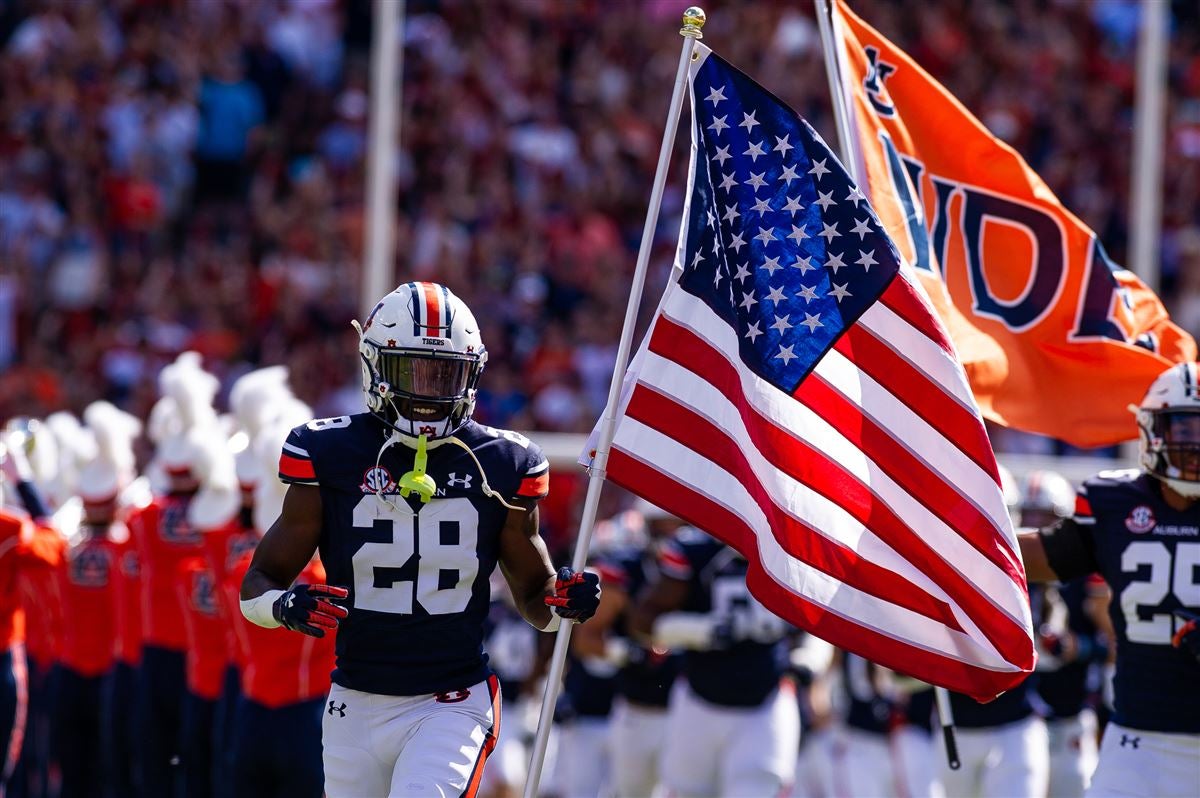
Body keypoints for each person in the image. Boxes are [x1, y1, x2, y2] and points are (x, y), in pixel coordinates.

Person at [239, 282, 600, 797]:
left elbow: (537, 602)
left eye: (445, 374)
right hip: (354, 702)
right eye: (414, 370)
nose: (429, 391)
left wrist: (567, 599)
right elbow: (256, 583)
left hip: (450, 701)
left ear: (471, 373)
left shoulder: (503, 463)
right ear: (376, 365)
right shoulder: (328, 452)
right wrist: (284, 606)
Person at [1018, 362, 1200, 797]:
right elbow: (1042, 554)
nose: (1195, 445)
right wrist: (957, 544)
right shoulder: (1116, 503)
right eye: (1184, 429)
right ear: (1154, 430)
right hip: (1139, 739)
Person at [631, 527, 799, 798]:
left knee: (755, 790)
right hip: (700, 701)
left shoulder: (790, 547)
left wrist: (808, 659)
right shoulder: (697, 550)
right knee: (688, 792)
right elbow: (642, 622)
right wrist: (698, 630)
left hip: (764, 703)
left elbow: (819, 621)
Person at [1019, 469, 1106, 797]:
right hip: (1019, 720)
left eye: (1044, 516)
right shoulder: (1008, 576)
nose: (1034, 525)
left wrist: (1079, 648)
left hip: (1072, 714)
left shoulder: (1085, 576)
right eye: (1027, 514)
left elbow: (1114, 643)